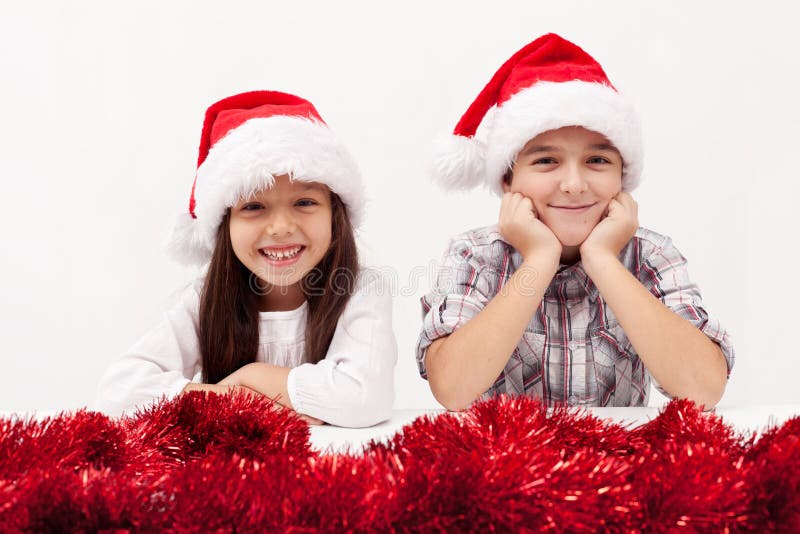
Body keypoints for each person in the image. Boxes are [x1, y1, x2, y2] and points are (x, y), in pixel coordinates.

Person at [417, 34, 734, 411]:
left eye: (597, 161)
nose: (573, 185)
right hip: (507, 462)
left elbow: (705, 389)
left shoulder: (651, 254)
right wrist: (538, 260)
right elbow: (452, 389)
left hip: (617, 463)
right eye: (545, 161)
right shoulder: (475, 256)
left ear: (623, 176)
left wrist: (602, 259)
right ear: (507, 180)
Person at [96, 90, 397, 427]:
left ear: (335, 214)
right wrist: (235, 399)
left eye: (305, 202)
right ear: (225, 225)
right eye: (254, 207)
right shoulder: (204, 300)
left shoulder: (360, 290)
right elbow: (118, 392)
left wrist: (249, 376)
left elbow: (364, 398)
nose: (282, 227)